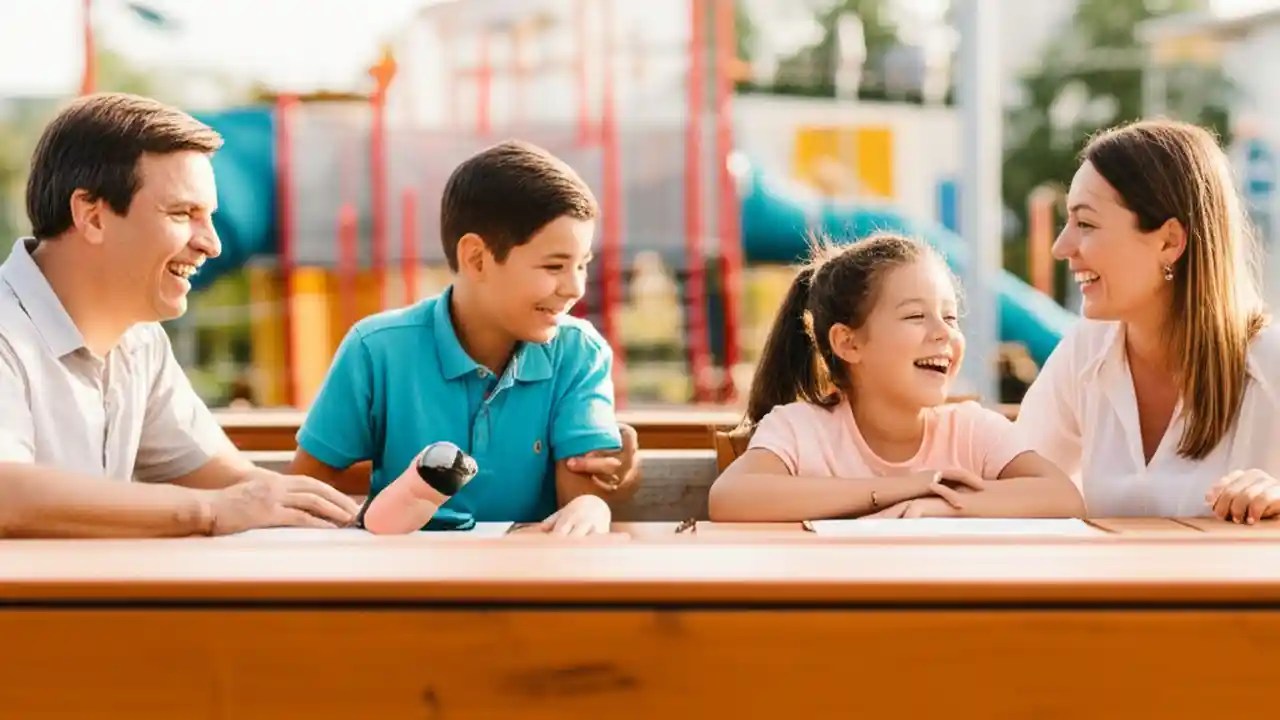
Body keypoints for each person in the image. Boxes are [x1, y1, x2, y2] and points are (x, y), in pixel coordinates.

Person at [0, 92, 361, 537]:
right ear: (92, 217)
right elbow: (6, 495)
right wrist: (207, 511)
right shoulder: (6, 332)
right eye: (183, 214)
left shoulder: (140, 341)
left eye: (209, 216)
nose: (212, 243)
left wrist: (359, 519)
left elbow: (236, 483)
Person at [289, 140, 639, 536]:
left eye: (583, 265)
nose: (575, 287)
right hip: (400, 582)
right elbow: (308, 490)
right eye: (554, 265)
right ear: (476, 258)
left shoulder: (579, 352)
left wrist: (591, 506)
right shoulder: (376, 349)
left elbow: (578, 493)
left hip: (529, 576)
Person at [708, 234, 1083, 520]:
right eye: (915, 316)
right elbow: (730, 497)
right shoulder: (801, 428)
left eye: (950, 317)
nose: (943, 333)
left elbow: (1064, 498)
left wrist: (942, 505)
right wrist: (896, 490)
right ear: (848, 343)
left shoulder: (973, 430)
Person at [1016, 119, 1280, 523]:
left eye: (1085, 223)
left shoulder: (1269, 365)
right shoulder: (1087, 350)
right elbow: (1015, 478)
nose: (1061, 247)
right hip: (1107, 588)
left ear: (1170, 241)